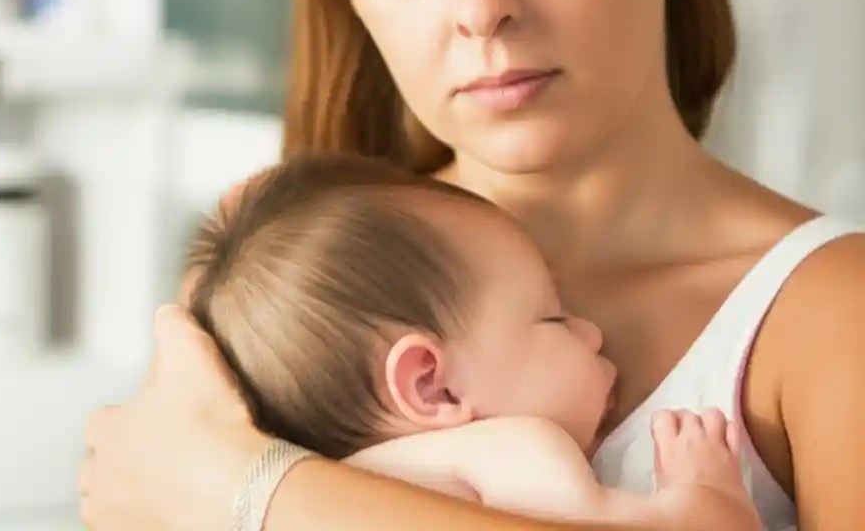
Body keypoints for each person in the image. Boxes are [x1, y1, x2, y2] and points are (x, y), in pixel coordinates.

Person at [79, 0, 865, 528]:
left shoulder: (831, 312)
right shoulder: (289, 278)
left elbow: (193, 487)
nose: (481, 6)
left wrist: (258, 492)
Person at [186, 153, 760, 528]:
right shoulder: (509, 449)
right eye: (553, 319)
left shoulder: (343, 484)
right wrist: (708, 494)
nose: (593, 332)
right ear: (432, 385)